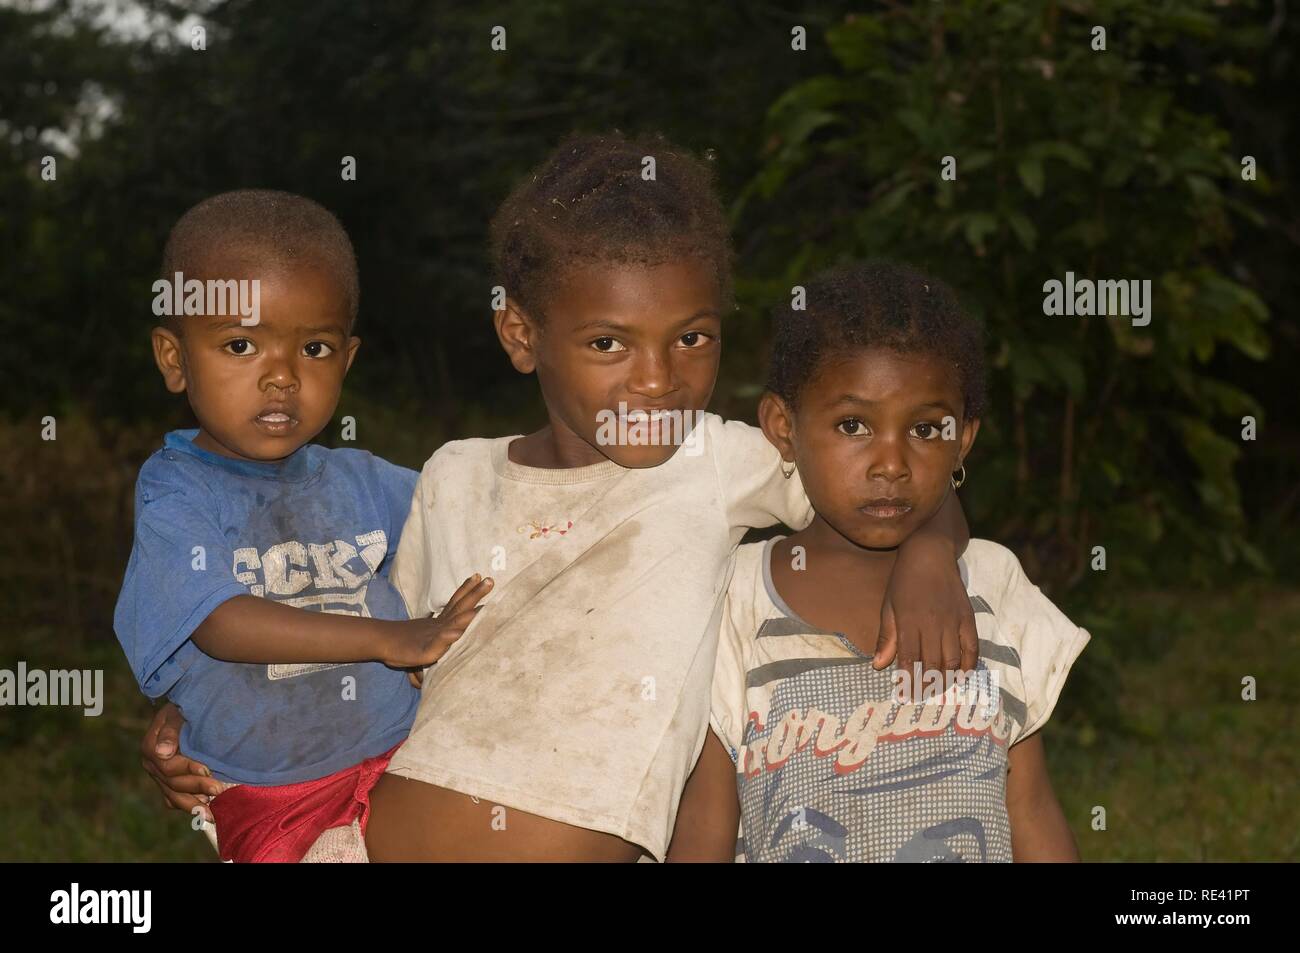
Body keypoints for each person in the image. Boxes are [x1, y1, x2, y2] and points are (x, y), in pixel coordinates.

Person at [144, 135, 977, 863]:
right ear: (521, 334)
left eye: (693, 337)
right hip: (372, 839)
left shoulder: (720, 462)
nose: (657, 379)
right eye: (608, 341)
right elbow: (352, 626)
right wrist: (199, 718)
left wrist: (934, 552)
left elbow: (886, 473)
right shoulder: (450, 479)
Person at [667, 262, 1088, 862]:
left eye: (923, 428)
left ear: (963, 439)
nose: (891, 463)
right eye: (853, 425)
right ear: (784, 428)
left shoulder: (997, 588)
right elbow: (706, 816)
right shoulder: (732, 599)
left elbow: (1031, 807)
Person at [115, 189, 489, 863]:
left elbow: (477, 527)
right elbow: (222, 622)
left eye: (313, 347)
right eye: (240, 345)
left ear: (345, 361)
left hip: (405, 759)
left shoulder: (370, 482)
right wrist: (392, 638)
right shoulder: (178, 492)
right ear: (174, 359)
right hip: (275, 800)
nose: (282, 377)